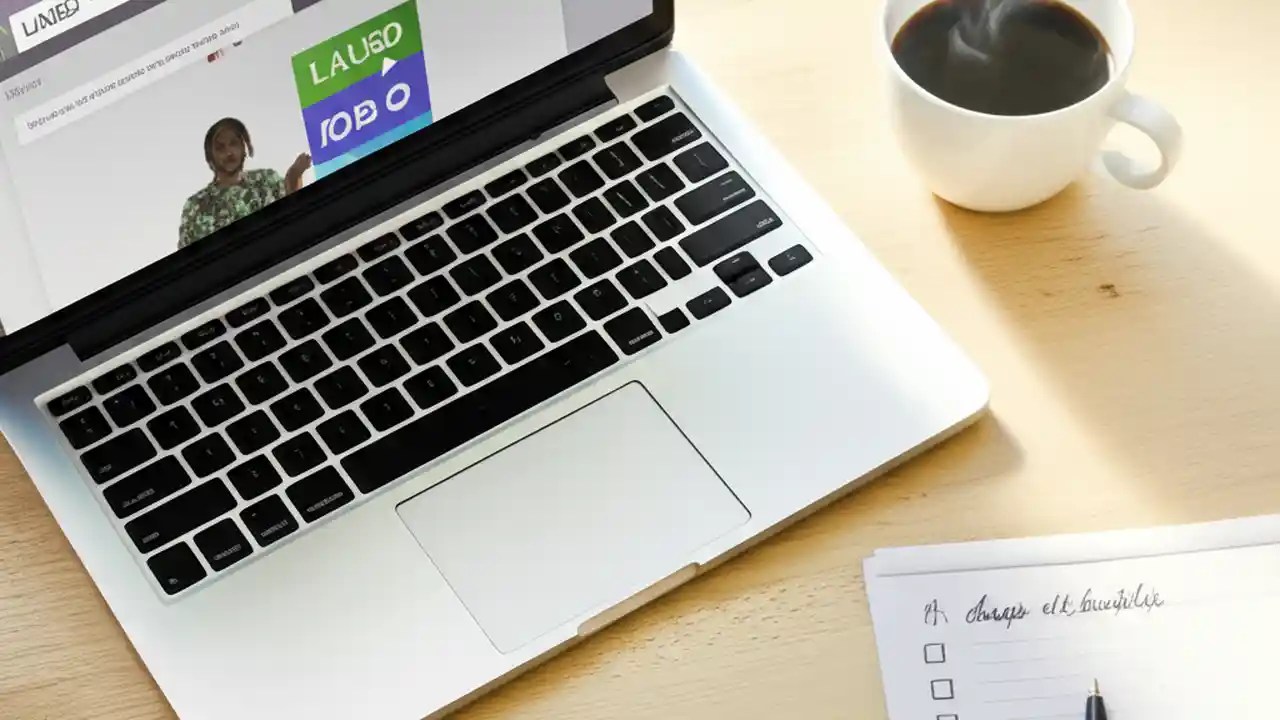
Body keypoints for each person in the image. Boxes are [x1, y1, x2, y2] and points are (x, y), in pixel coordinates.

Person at [178, 118, 312, 248]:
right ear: (210, 155)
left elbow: (292, 209)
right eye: (220, 148)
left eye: (234, 143)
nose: (229, 152)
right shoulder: (196, 206)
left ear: (244, 146)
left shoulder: (266, 180)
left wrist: (295, 174)